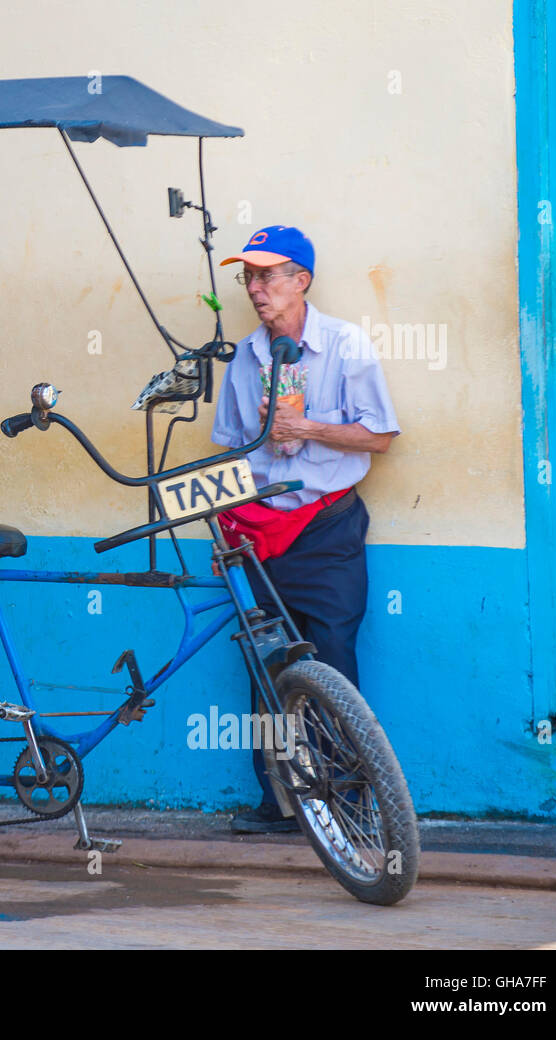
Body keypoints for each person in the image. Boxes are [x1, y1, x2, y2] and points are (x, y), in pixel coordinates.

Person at [210, 225, 400, 833]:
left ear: (302, 281)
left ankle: (350, 805)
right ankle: (283, 803)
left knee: (334, 661)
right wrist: (225, 533)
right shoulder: (244, 357)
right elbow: (233, 453)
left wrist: (306, 426)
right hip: (258, 534)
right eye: (248, 278)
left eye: (267, 277)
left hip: (326, 529)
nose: (255, 290)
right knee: (264, 664)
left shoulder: (345, 345)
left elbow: (381, 436)